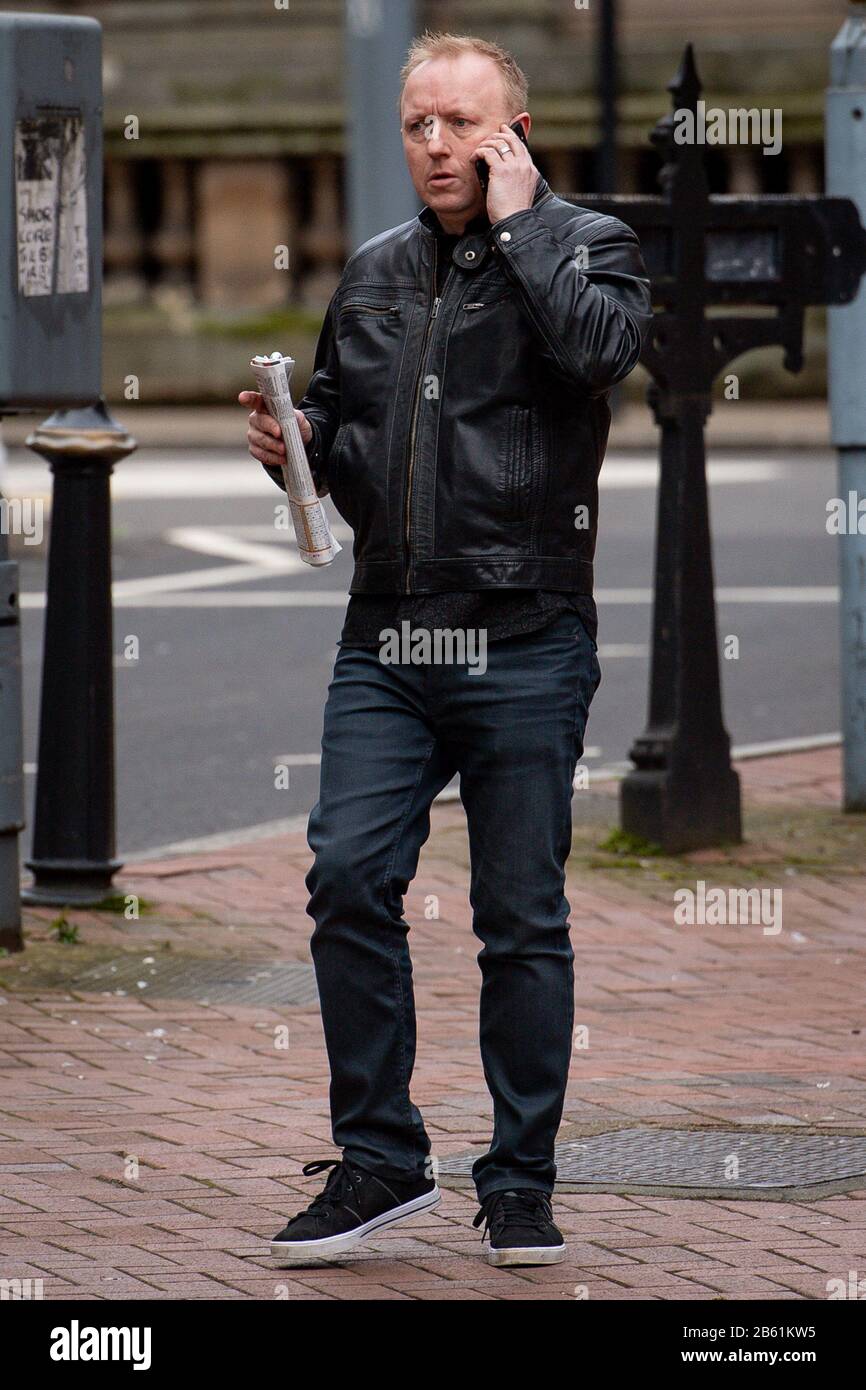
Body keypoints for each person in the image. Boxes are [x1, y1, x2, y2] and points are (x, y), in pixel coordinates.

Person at [239, 29, 652, 1268]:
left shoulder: (589, 247)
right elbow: (356, 441)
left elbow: (598, 354)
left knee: (517, 918)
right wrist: (299, 438)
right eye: (418, 122)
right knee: (345, 877)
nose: (434, 144)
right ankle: (378, 1160)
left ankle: (518, 1181)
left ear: (512, 131)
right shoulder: (371, 272)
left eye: (460, 123)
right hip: (388, 639)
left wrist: (522, 230)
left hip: (524, 637)